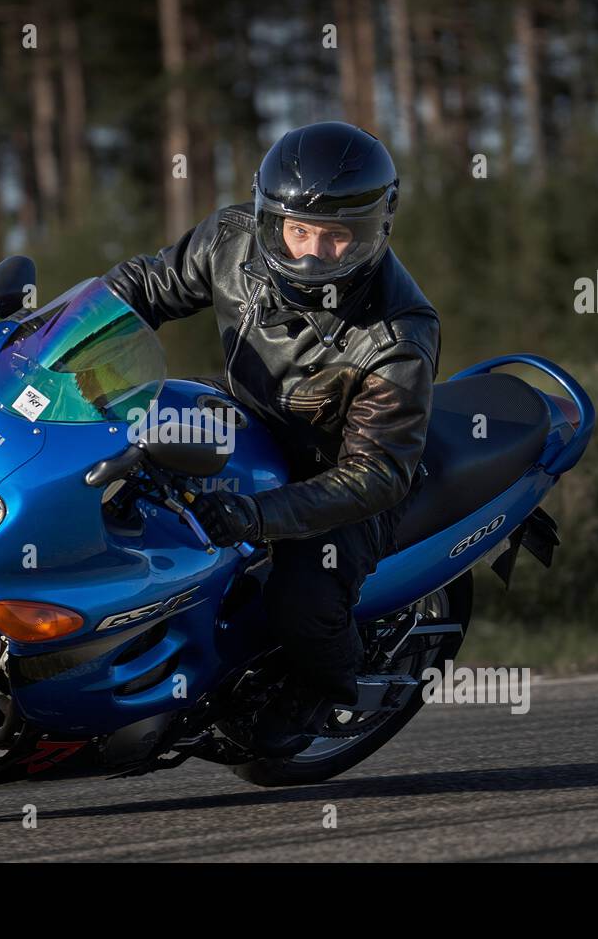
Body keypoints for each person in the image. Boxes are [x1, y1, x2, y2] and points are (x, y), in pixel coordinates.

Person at [103, 121, 439, 758]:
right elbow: (146, 286)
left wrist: (257, 517)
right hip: (250, 417)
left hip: (338, 474)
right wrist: (52, 338)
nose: (312, 254)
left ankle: (326, 687)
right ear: (269, 217)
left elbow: (377, 474)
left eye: (338, 237)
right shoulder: (232, 240)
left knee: (305, 594)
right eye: (298, 231)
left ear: (375, 230)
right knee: (122, 452)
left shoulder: (397, 336)